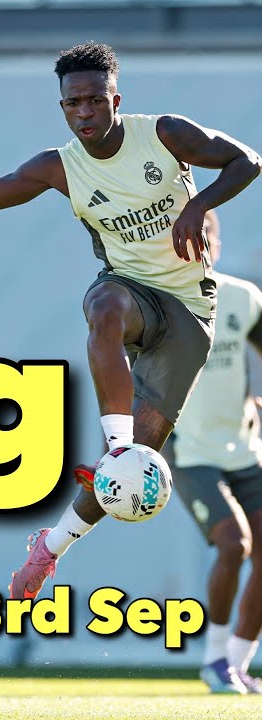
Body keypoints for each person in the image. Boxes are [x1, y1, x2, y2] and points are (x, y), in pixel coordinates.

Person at [0, 42, 262, 600]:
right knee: (105, 307)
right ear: (62, 107)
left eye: (96, 100)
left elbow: (247, 161)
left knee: (128, 477)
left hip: (190, 310)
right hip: (132, 292)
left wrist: (197, 203)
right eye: (74, 104)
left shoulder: (163, 134)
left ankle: (50, 549)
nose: (86, 112)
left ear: (116, 99)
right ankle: (117, 445)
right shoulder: (59, 167)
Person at [168, 211, 262, 694]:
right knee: (233, 545)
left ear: (217, 245)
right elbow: (134, 376)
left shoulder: (244, 298)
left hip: (245, 449)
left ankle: (239, 664)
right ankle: (213, 662)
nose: (199, 245)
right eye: (189, 236)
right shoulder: (161, 304)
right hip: (190, 452)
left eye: (207, 236)